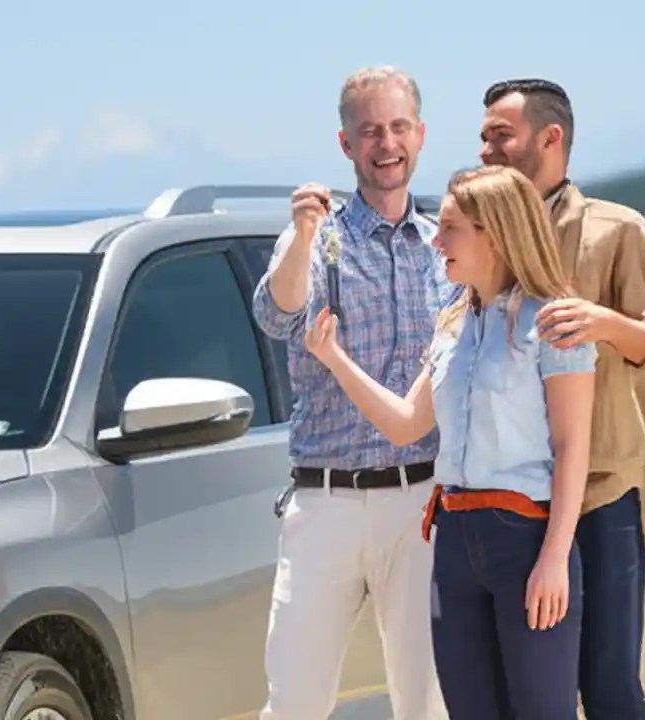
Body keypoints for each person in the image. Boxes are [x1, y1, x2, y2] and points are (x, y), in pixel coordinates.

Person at [305, 164, 597, 719]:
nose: (436, 242)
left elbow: (572, 446)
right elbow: (405, 424)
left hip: (526, 540)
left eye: (450, 229)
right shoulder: (451, 327)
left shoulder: (553, 323)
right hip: (454, 541)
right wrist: (332, 357)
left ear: (495, 233)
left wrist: (555, 557)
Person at [478, 78, 645, 719]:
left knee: (609, 693)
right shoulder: (479, 238)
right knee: (524, 697)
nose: (487, 150)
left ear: (551, 139)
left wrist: (606, 323)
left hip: (602, 499)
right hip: (509, 505)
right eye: (483, 137)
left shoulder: (618, 231)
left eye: (501, 136)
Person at [251, 66, 451, 720]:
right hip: (325, 502)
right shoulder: (316, 238)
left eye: (398, 127)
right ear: (346, 144)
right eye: (369, 131)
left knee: (428, 703)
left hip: (421, 502)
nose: (385, 143)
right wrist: (302, 235)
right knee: (296, 702)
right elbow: (276, 314)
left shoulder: (445, 249)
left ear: (419, 134)